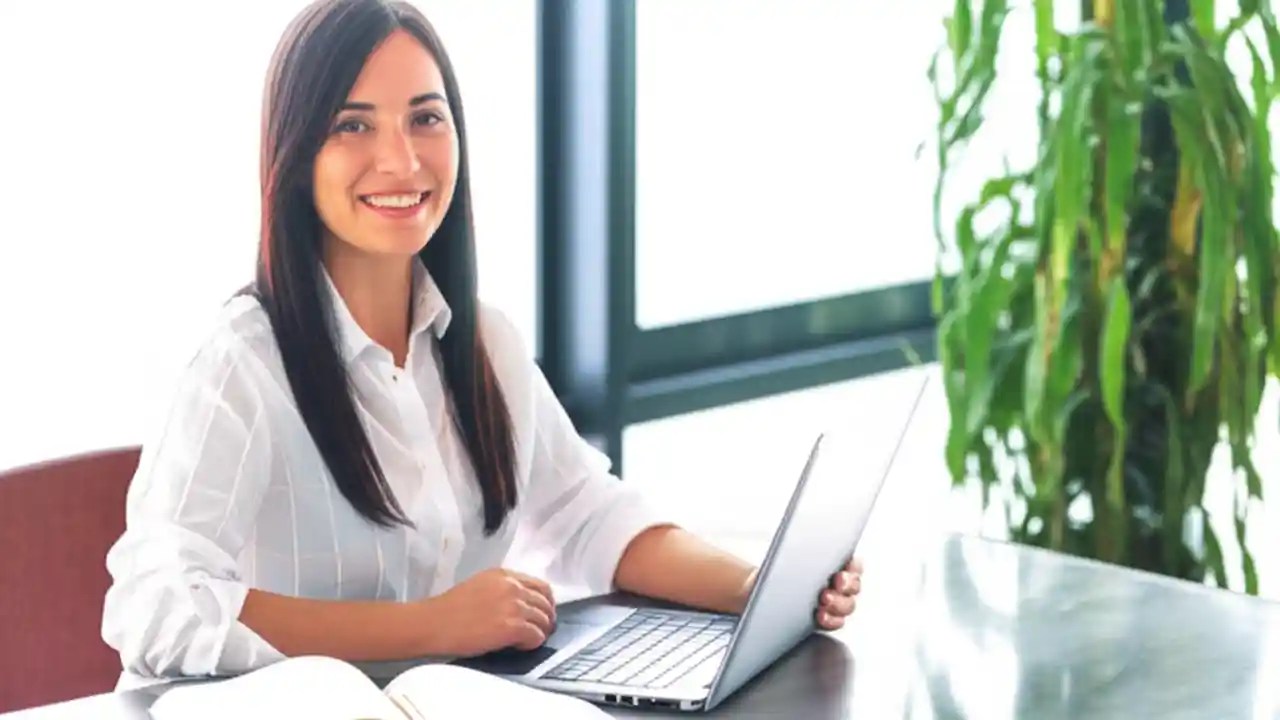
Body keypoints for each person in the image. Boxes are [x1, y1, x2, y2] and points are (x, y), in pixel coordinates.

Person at [100, 0, 862, 689]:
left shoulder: (485, 343)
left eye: (425, 119)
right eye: (353, 125)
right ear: (296, 157)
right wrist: (433, 626)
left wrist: (760, 589)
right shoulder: (242, 366)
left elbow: (589, 517)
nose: (402, 160)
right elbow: (157, 607)